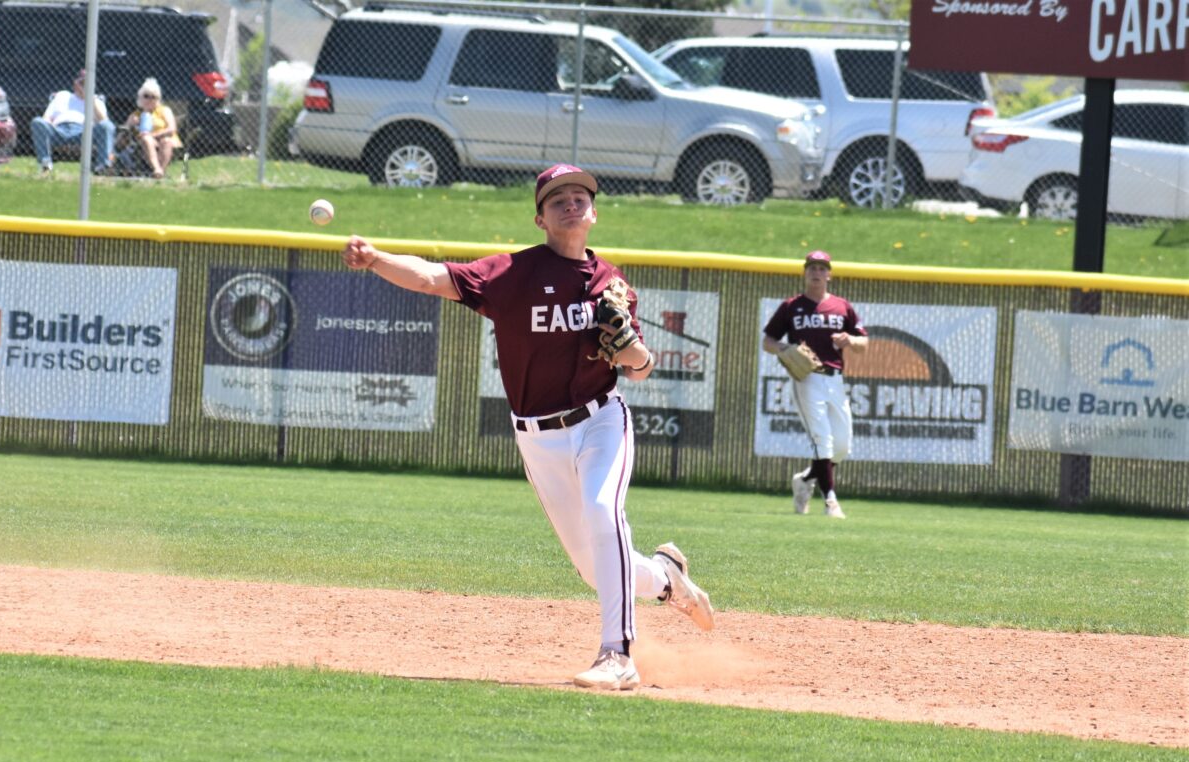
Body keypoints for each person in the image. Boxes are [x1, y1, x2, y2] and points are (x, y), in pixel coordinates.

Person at [342, 163, 715, 691]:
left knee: (602, 511)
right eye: (557, 197)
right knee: (595, 568)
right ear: (539, 218)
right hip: (537, 436)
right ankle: (666, 579)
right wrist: (376, 258)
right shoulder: (511, 275)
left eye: (580, 196)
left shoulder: (609, 284)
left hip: (600, 420)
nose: (570, 203)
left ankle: (617, 654)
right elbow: (429, 276)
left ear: (594, 212)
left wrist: (627, 342)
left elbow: (641, 366)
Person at [762, 250, 868, 519]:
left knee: (842, 446)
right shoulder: (791, 306)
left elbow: (863, 343)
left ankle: (807, 478)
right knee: (822, 438)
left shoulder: (842, 307)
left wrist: (850, 340)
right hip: (807, 378)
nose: (817, 272)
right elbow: (768, 341)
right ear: (805, 272)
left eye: (822, 268)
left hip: (836, 380)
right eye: (812, 267)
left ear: (829, 274)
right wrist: (786, 348)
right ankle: (830, 500)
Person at [30, 69, 115, 174]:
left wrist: (89, 98)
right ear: (75, 83)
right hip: (59, 131)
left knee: (107, 126)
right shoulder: (63, 96)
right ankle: (45, 163)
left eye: (88, 83)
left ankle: (102, 167)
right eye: (82, 83)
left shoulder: (96, 100)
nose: (84, 86)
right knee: (37, 122)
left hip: (83, 133)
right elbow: (46, 118)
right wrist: (49, 124)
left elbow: (104, 122)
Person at [118, 78, 181, 178]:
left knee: (166, 141)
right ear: (140, 98)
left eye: (153, 97)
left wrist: (153, 135)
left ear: (158, 99)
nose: (150, 99)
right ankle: (157, 170)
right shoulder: (136, 115)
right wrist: (132, 125)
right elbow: (122, 134)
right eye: (146, 96)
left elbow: (172, 129)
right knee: (147, 139)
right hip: (144, 143)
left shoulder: (164, 110)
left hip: (165, 139)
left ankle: (161, 172)